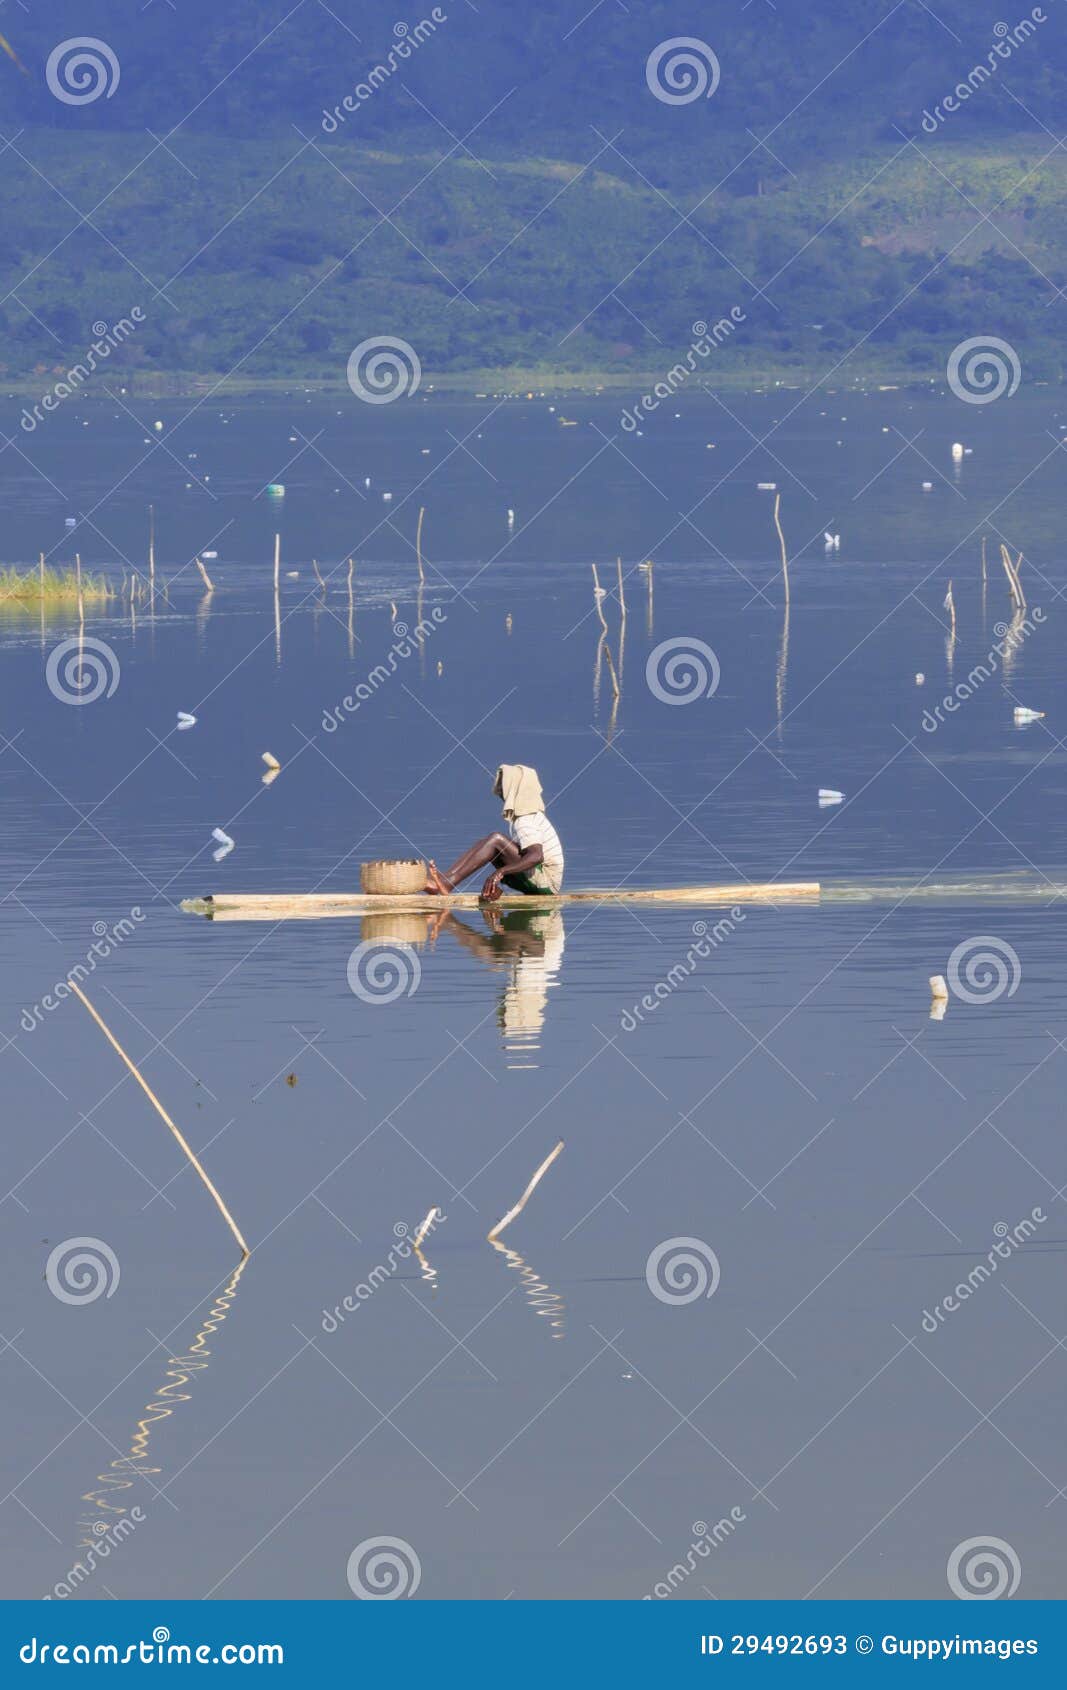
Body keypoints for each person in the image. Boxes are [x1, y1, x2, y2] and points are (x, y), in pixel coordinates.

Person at [425, 764, 565, 900]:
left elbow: (536, 856)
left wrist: (501, 871)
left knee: (495, 840)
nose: (501, 792)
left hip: (547, 883)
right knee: (485, 844)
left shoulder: (526, 818)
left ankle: (446, 884)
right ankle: (444, 881)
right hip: (540, 880)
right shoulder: (528, 815)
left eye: (504, 788)